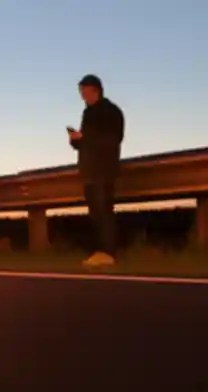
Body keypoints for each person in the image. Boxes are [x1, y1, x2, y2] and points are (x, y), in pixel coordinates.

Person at [67, 74, 125, 267]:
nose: (82, 95)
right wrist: (75, 140)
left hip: (104, 169)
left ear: (95, 90)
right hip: (89, 171)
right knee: (95, 213)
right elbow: (85, 143)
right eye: (80, 91)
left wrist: (85, 136)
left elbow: (112, 139)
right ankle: (100, 252)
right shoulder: (88, 113)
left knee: (104, 211)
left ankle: (109, 252)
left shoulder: (111, 111)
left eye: (84, 90)